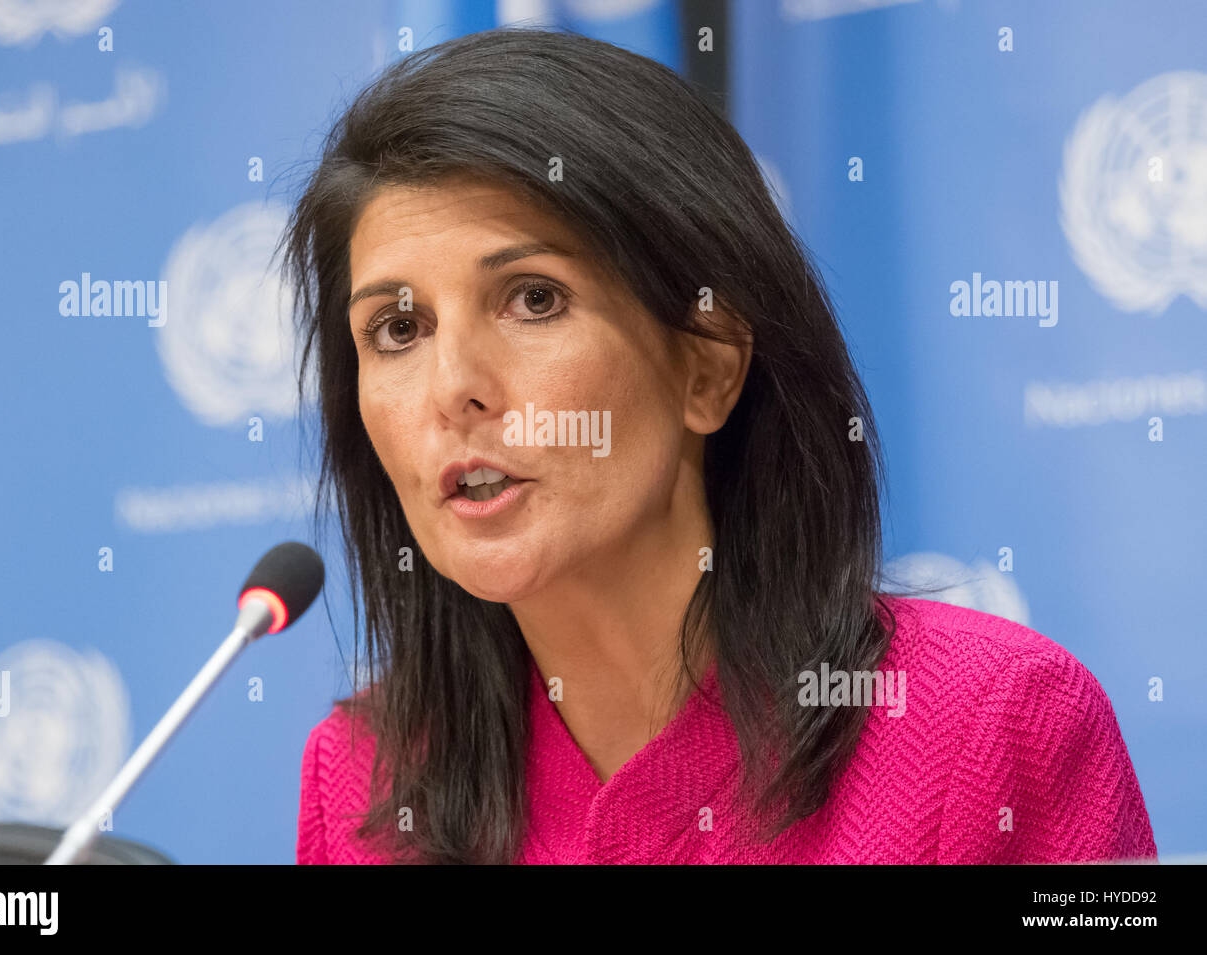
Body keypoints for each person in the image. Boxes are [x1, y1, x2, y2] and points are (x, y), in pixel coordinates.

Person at [282, 27, 1156, 864]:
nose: (452, 388)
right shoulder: (361, 777)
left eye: (534, 299)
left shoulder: (991, 722)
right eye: (398, 328)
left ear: (707, 364)